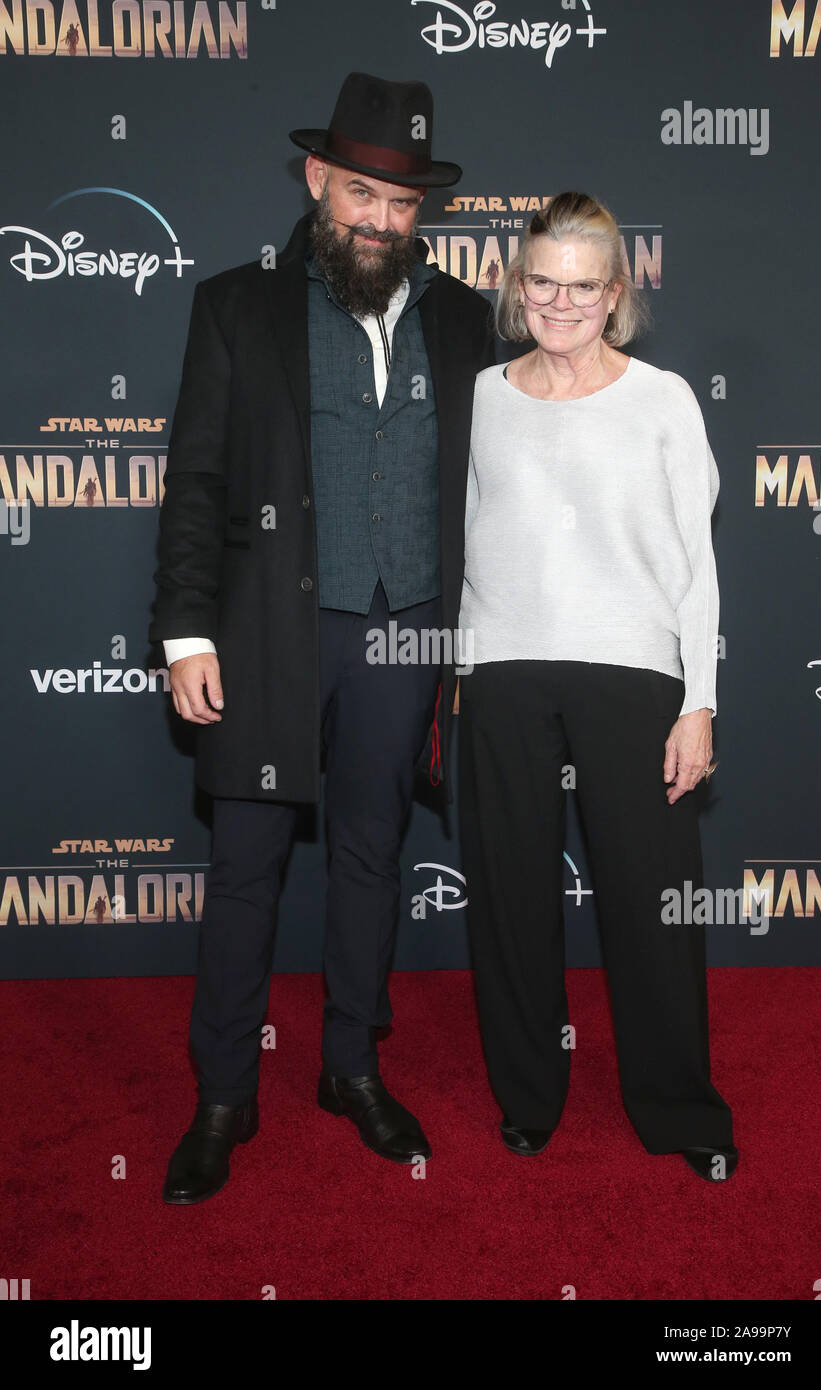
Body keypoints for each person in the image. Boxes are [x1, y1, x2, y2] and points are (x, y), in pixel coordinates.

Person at [149, 72, 495, 1204]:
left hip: (406, 637)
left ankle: (350, 1064)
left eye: (401, 204)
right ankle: (221, 1094)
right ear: (316, 181)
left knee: (369, 855)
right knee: (244, 867)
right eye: (360, 194)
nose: (379, 221)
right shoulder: (234, 306)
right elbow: (195, 482)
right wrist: (186, 631)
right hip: (263, 639)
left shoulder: (461, 318)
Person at [456, 191, 737, 1182]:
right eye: (543, 281)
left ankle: (678, 1108)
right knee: (509, 901)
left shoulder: (661, 399)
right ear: (516, 282)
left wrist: (696, 699)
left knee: (651, 902)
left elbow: (694, 566)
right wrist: (456, 674)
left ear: (615, 291)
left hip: (633, 677)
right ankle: (528, 1095)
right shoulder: (481, 394)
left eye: (583, 285)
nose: (560, 302)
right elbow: (464, 544)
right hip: (501, 674)